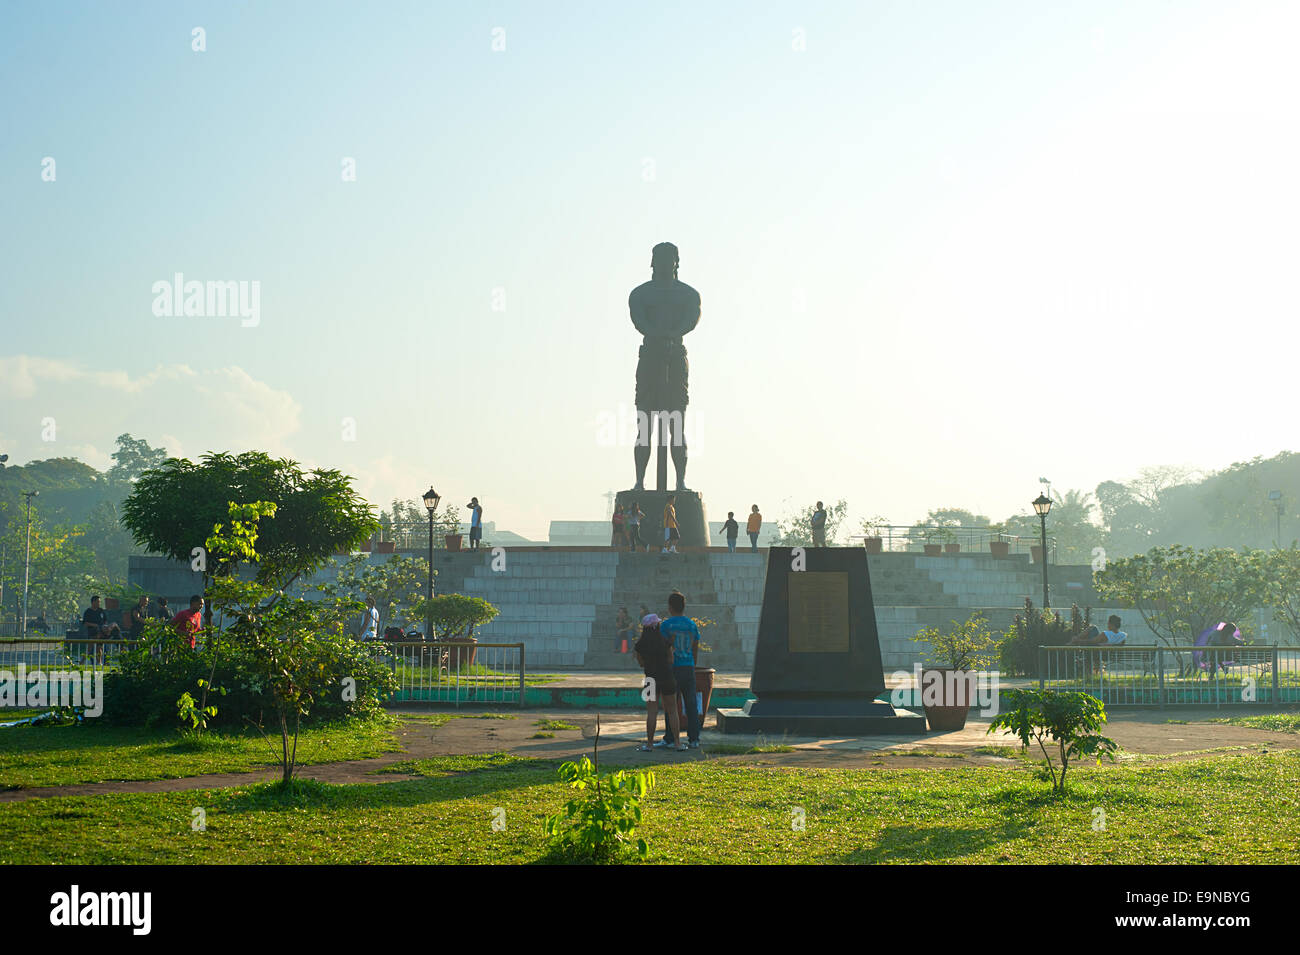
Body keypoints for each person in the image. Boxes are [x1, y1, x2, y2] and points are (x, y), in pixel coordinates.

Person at [635, 614, 685, 752]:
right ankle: (677, 743)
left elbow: (640, 663)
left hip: (650, 679)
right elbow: (671, 660)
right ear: (657, 626)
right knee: (673, 711)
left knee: (651, 712)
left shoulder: (640, 645)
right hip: (667, 678)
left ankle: (650, 744)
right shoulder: (665, 642)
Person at [660, 590, 702, 748]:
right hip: (688, 667)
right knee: (691, 704)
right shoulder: (691, 625)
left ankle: (670, 737)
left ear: (670, 607)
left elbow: (664, 648)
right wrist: (693, 664)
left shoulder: (666, 625)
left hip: (672, 668)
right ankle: (694, 738)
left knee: (671, 704)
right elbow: (695, 647)